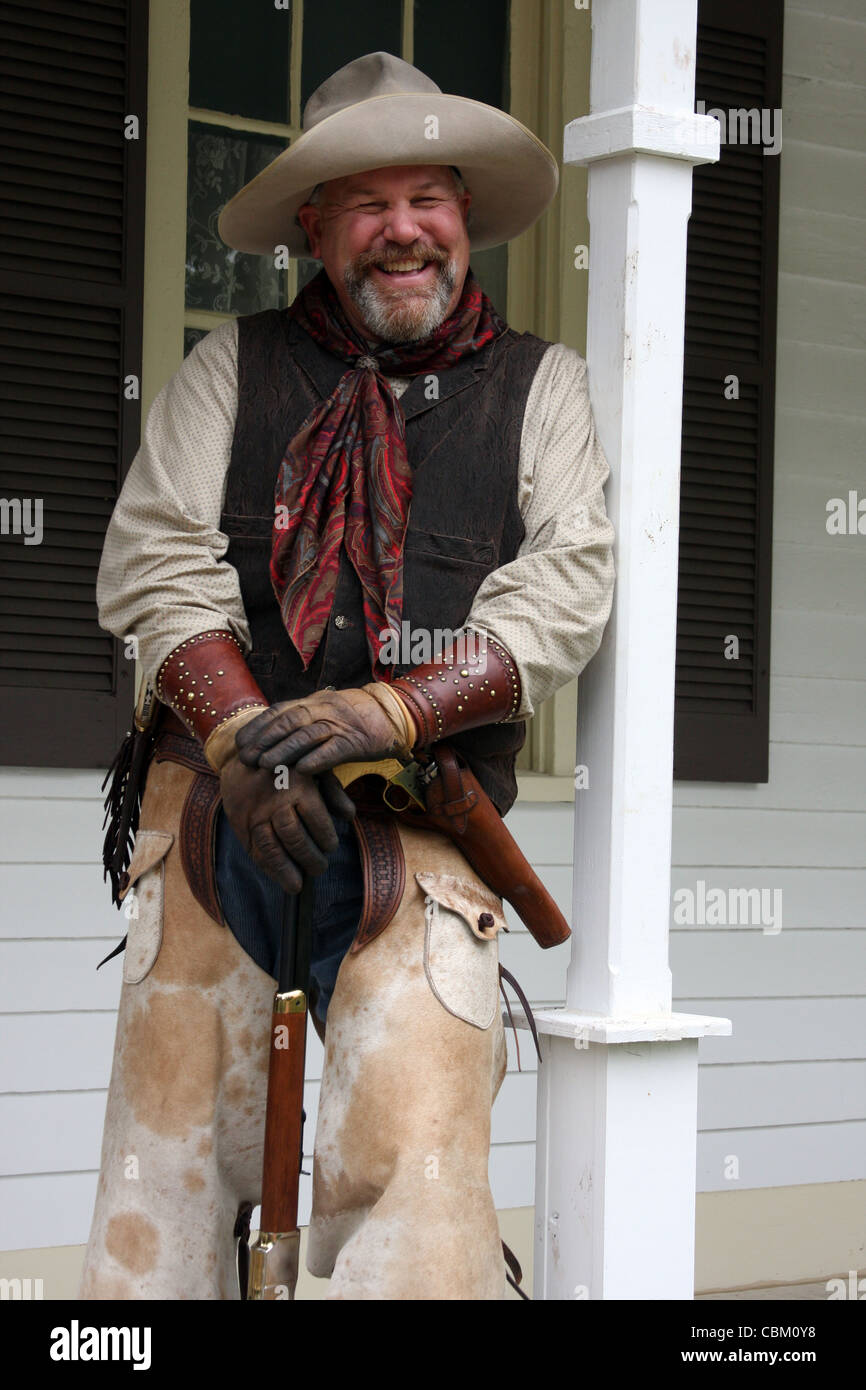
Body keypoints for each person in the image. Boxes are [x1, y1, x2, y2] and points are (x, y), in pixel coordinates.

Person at [81, 51, 615, 1301]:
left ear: (464, 215)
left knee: (417, 1198)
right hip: (214, 813)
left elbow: (565, 585)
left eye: (424, 197)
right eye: (365, 205)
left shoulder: (545, 391)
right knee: (160, 1195)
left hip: (423, 821)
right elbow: (157, 564)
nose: (401, 232)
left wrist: (387, 711)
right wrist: (239, 744)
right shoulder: (231, 367)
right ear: (314, 228)